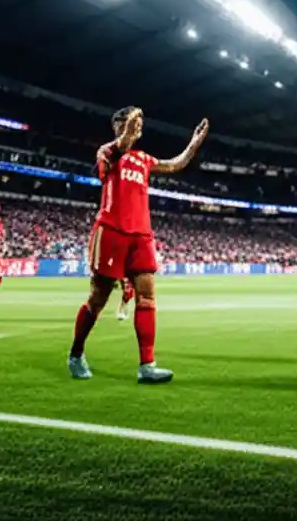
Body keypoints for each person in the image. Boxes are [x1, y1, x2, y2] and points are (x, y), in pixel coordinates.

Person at [68, 107, 208, 384]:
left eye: (140, 122)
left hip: (141, 235)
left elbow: (174, 164)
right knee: (98, 298)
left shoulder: (144, 159)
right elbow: (118, 149)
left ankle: (147, 365)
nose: (138, 125)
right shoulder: (108, 152)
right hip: (111, 231)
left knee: (147, 297)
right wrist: (127, 133)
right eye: (132, 121)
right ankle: (76, 354)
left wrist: (193, 144)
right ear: (118, 125)